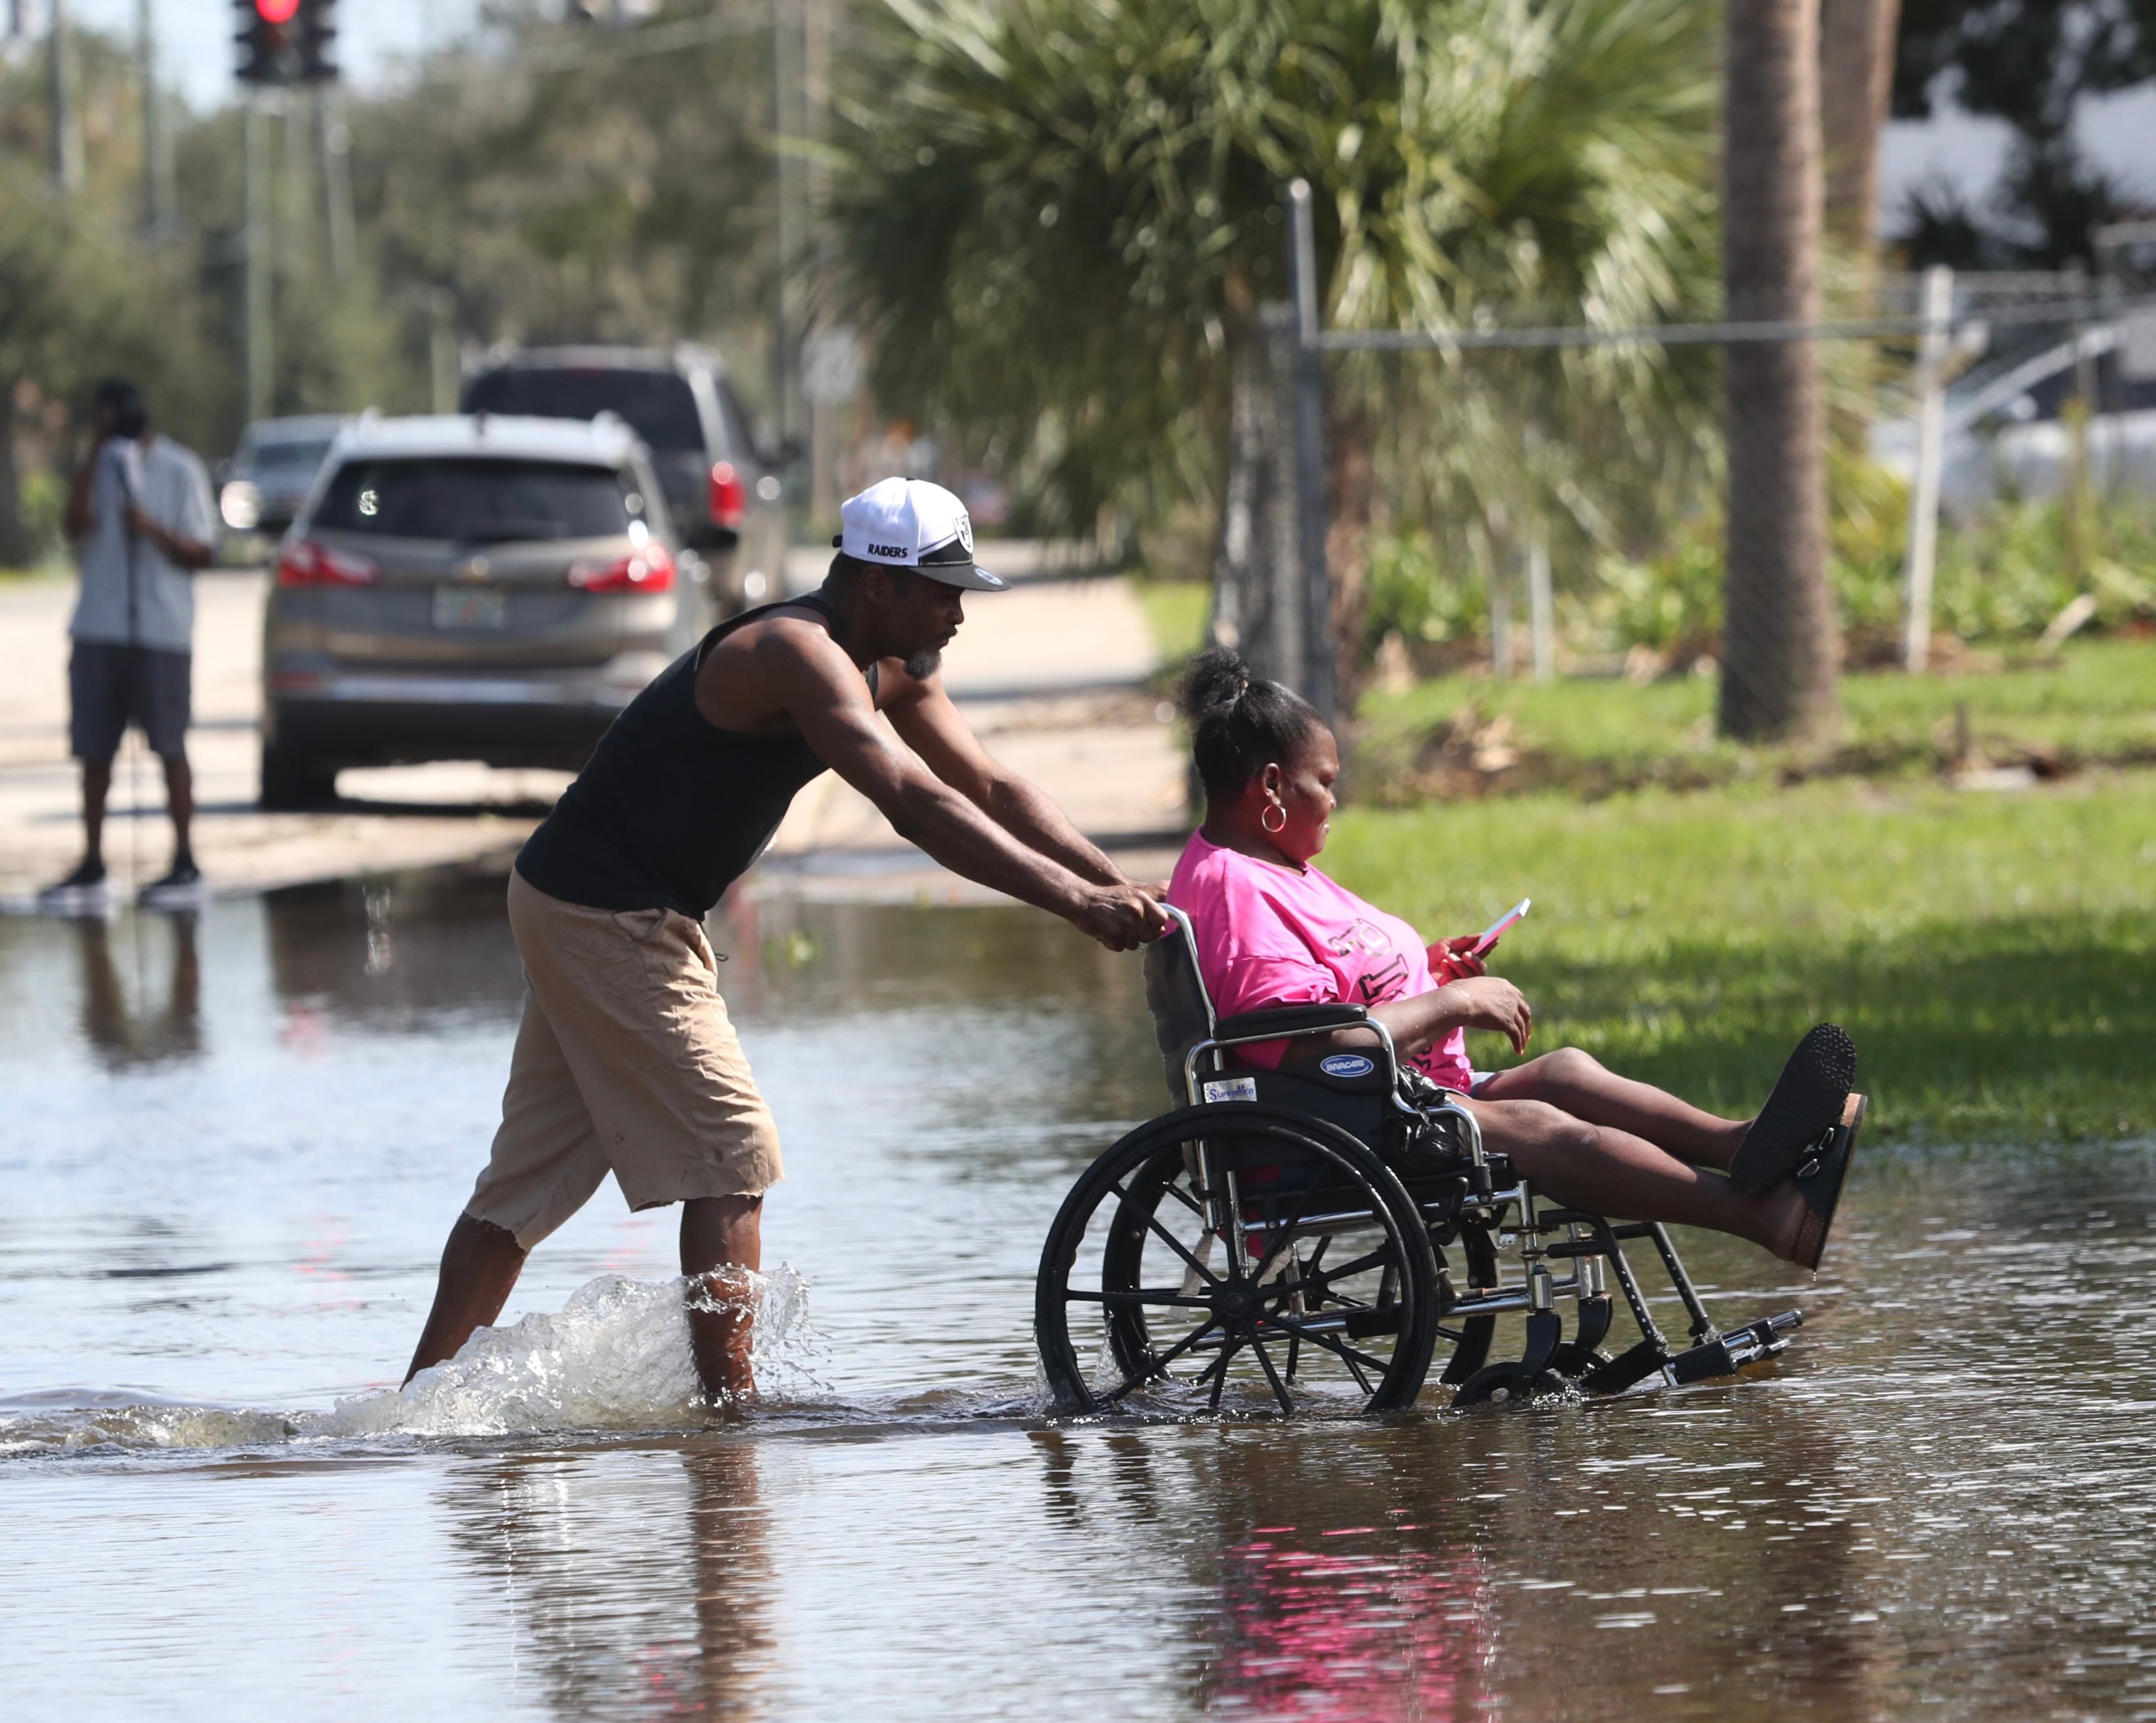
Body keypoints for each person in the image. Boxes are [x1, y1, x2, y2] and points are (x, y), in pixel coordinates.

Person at [404, 478, 1169, 1405]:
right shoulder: (793, 652)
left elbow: (987, 785)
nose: (959, 612)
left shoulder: (894, 660)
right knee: (731, 1152)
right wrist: (1071, 906)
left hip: (588, 904)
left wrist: (1107, 880)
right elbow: (910, 798)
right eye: (944, 588)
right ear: (877, 584)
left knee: (521, 1190)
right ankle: (731, 1424)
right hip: (608, 915)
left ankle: (414, 1414)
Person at [1166, 646, 1865, 1268]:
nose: (1334, 798)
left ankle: (1739, 1144)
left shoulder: (1267, 862)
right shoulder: (1236, 886)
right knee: (1543, 1130)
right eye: (1323, 781)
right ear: (1268, 787)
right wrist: (1454, 1003)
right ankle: (1767, 1218)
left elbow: (1330, 985)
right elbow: (1295, 1040)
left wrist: (1428, 969)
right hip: (1343, 1121)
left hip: (1385, 1094)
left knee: (1563, 1072)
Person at [39, 379, 218, 911]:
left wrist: (153, 530)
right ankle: (93, 863)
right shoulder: (95, 467)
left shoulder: (179, 468)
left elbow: (204, 551)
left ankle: (184, 861)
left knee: (170, 745)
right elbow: (72, 527)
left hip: (161, 630)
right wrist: (95, 452)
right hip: (98, 627)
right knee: (95, 751)